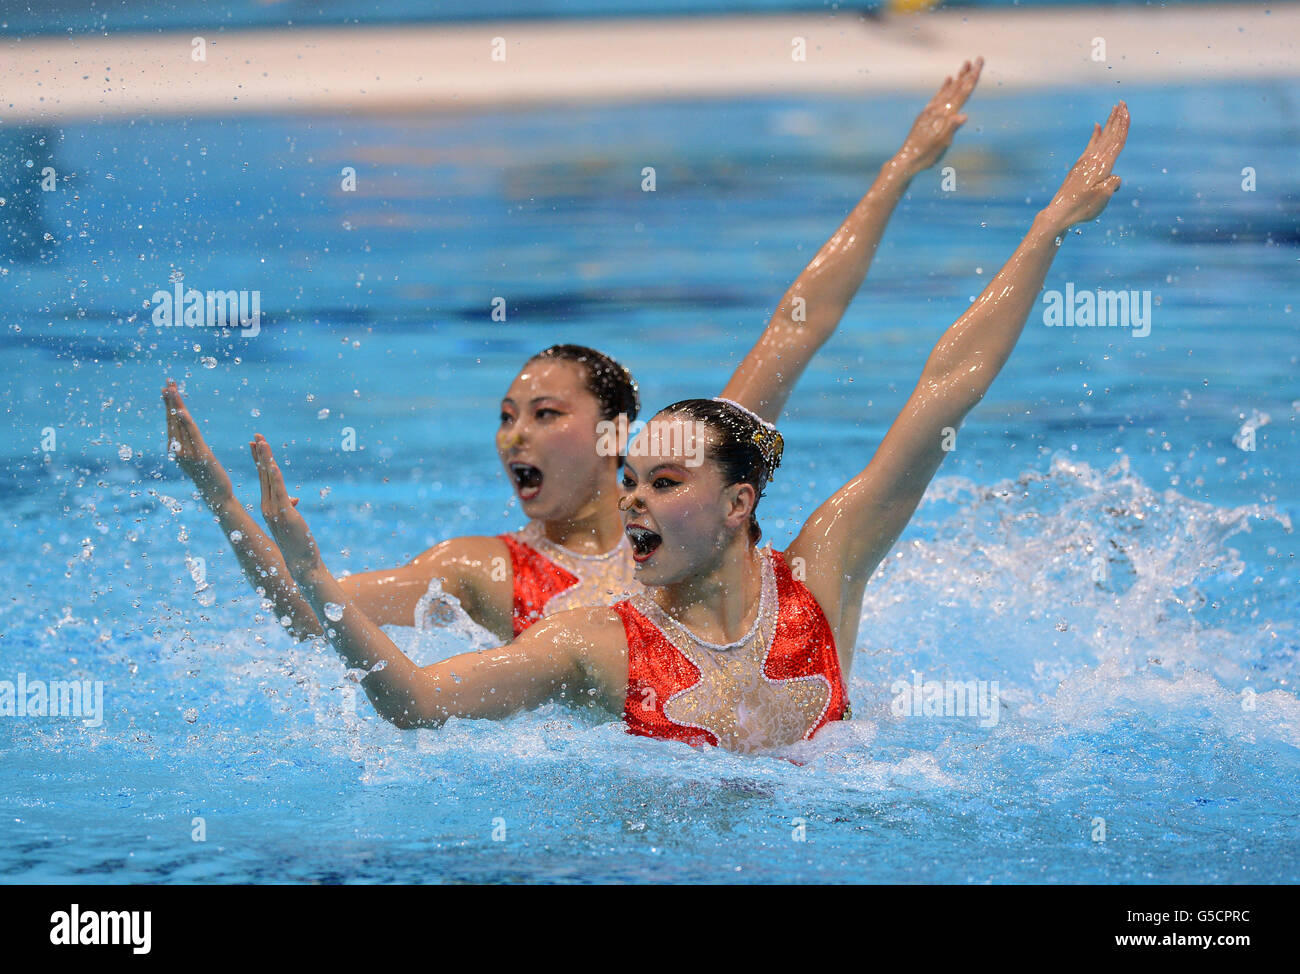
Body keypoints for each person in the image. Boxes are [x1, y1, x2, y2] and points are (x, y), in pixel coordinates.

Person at [165, 62, 985, 651]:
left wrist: (901, 170)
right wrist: (226, 510)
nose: (513, 437)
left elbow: (797, 327)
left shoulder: (688, 489)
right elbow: (319, 614)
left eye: (545, 415)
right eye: (506, 419)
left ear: (613, 435)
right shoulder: (486, 571)